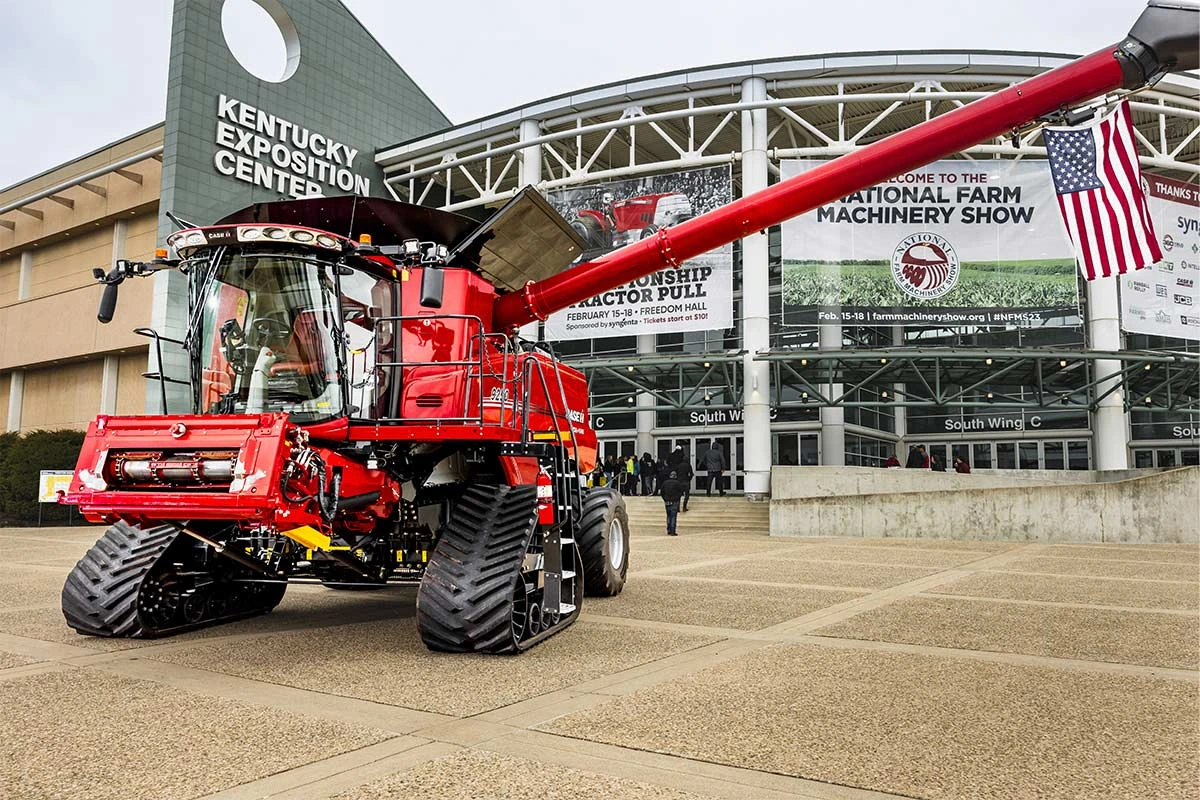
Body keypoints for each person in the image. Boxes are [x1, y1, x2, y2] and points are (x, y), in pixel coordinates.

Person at [659, 468, 687, 536]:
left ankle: (668, 530)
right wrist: (678, 498)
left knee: (668, 516)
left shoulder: (665, 483)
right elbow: (681, 491)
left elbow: (662, 492)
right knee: (673, 517)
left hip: (667, 501)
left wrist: (665, 499)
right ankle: (672, 531)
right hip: (674, 501)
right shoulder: (677, 483)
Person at [669, 446, 693, 512]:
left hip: (679, 482)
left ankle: (677, 508)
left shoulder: (678, 466)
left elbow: (676, 473)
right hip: (686, 481)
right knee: (687, 495)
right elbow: (691, 474)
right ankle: (684, 507)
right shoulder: (688, 465)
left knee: (678, 495)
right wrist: (689, 479)